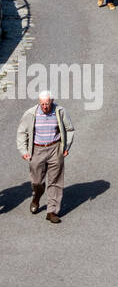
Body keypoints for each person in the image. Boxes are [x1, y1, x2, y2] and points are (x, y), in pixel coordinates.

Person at [17, 89, 74, 224]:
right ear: (39, 102)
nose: (45, 107)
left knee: (55, 181)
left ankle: (52, 211)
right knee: (37, 182)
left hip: (55, 148)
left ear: (52, 101)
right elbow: (21, 132)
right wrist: (23, 150)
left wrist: (65, 147)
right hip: (37, 150)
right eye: (42, 104)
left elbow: (69, 129)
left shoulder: (60, 112)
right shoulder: (31, 113)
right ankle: (36, 197)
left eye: (47, 104)